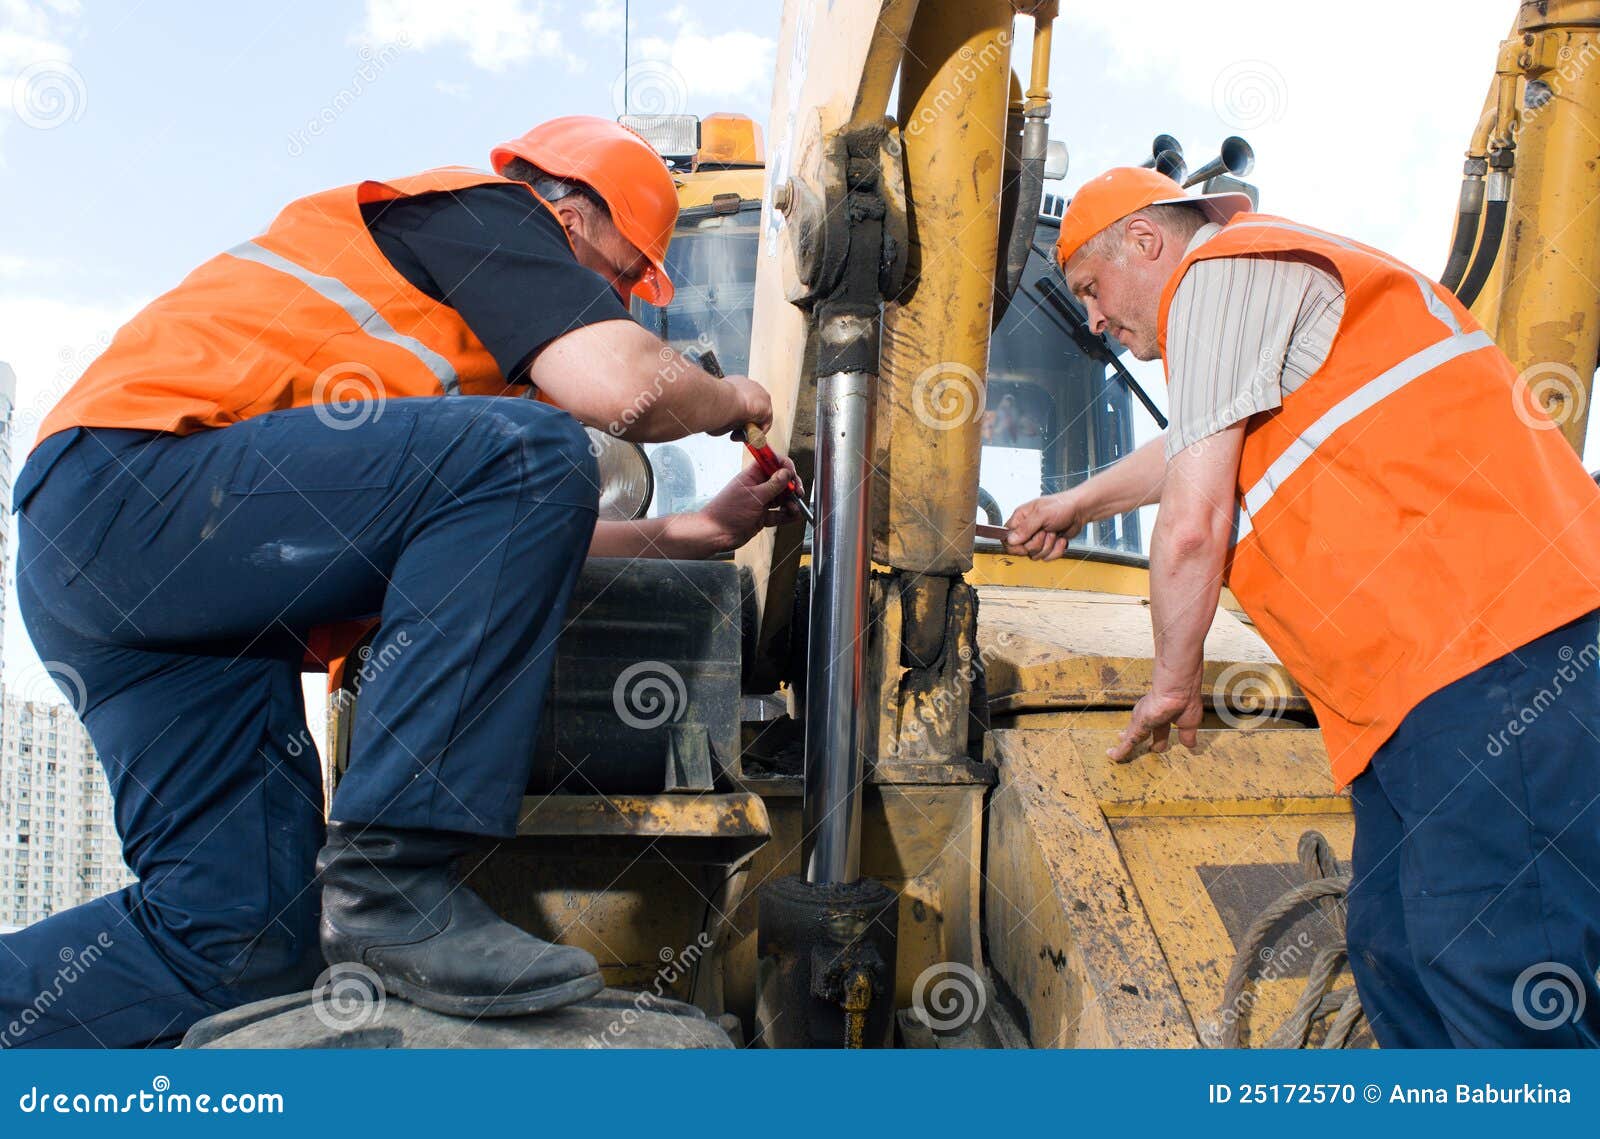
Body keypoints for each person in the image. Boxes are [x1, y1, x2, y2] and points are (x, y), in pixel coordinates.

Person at [0, 116, 798, 1048]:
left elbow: (498, 550)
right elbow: (621, 388)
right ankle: (395, 879)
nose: (623, 301)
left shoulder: (481, 402)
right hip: (132, 496)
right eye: (626, 275)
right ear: (572, 216)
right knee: (534, 455)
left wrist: (693, 532)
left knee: (239, 940)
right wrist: (731, 397)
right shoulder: (485, 214)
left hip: (165, 596)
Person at [1005, 165, 1600, 1048]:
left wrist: (1174, 678)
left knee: (1493, 975)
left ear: (1145, 239)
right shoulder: (1251, 306)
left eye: (1091, 289)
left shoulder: (1220, 274)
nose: (1092, 319)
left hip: (1491, 658)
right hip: (1417, 697)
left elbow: (1193, 525)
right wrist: (1072, 505)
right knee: (1395, 955)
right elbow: (1192, 443)